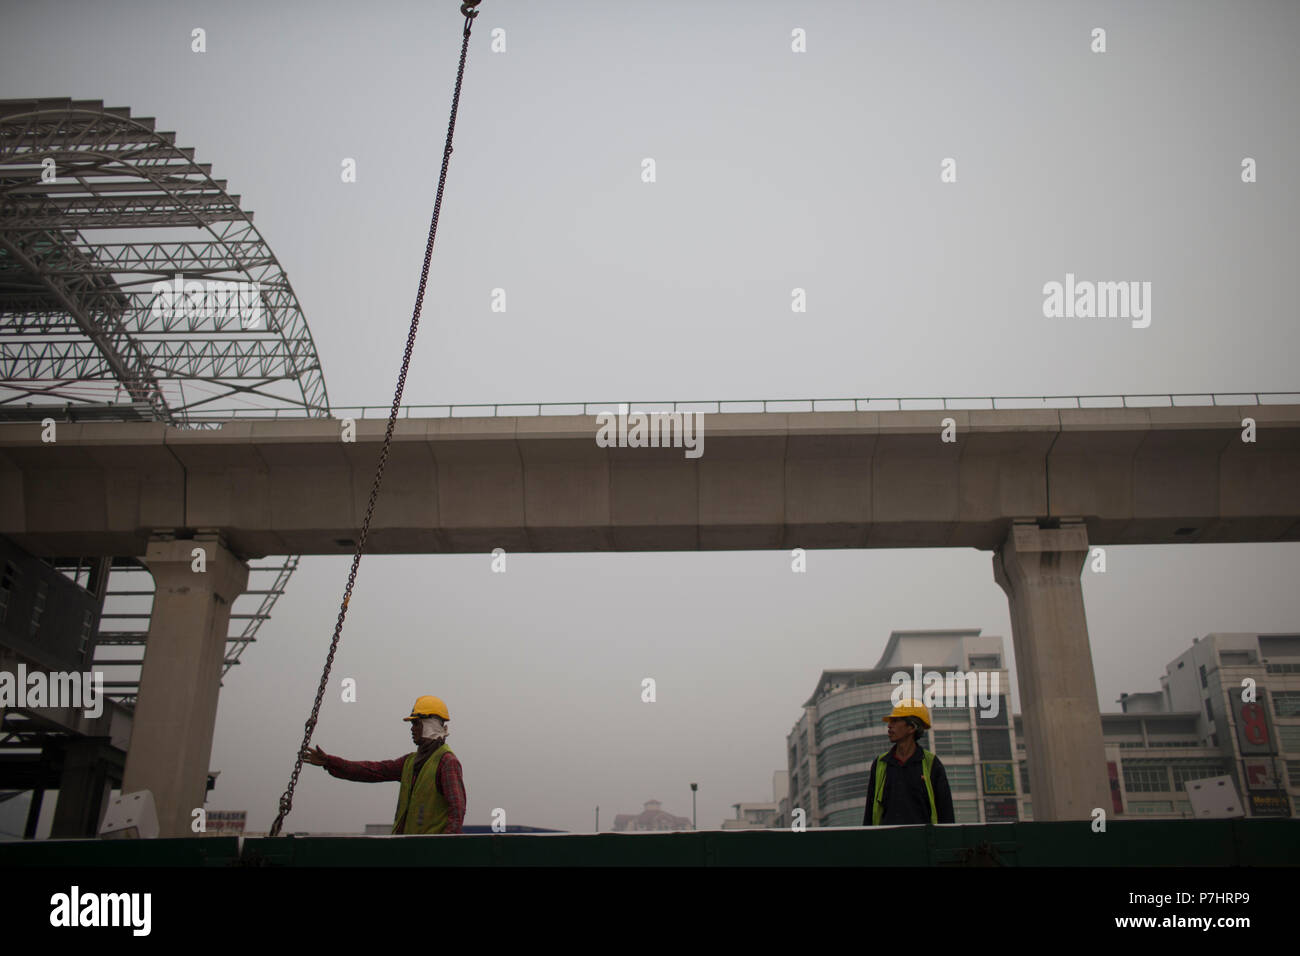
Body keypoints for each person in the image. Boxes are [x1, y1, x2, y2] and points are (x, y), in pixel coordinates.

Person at [302, 694, 466, 834]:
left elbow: (457, 810)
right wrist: (329, 762)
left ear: (430, 725)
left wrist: (444, 849)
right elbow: (371, 770)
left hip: (430, 855)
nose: (412, 729)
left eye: (416, 723)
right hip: (408, 852)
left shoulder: (446, 762)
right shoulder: (410, 762)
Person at [862, 700, 955, 825]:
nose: (889, 726)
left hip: (923, 842)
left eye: (895, 721)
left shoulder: (931, 764)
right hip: (887, 842)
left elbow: (946, 814)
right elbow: (869, 813)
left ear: (912, 727)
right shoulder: (880, 764)